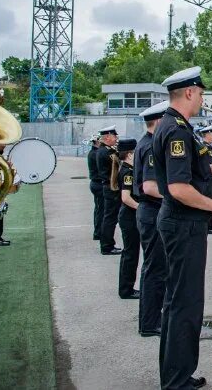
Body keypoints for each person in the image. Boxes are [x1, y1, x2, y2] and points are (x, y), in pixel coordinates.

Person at [152, 66, 212, 389]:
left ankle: (178, 373)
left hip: (182, 224)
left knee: (180, 301)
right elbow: (178, 188)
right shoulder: (176, 131)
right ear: (189, 92)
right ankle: (175, 380)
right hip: (182, 224)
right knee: (184, 303)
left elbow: (191, 175)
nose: (202, 99)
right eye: (200, 93)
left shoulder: (177, 126)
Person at [133, 100, 168, 338]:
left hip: (149, 212)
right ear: (157, 122)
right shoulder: (150, 147)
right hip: (152, 210)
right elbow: (150, 186)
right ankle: (150, 322)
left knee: (155, 268)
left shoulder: (146, 143)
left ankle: (152, 318)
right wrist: (176, 194)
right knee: (155, 269)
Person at [112, 138, 140, 300]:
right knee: (131, 253)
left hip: (128, 216)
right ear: (129, 155)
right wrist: (140, 207)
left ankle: (126, 287)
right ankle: (126, 289)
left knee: (130, 253)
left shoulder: (127, 168)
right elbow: (126, 197)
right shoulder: (128, 172)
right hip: (129, 216)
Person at [95, 125, 122, 256]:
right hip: (111, 188)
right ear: (107, 137)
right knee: (110, 218)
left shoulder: (104, 150)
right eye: (114, 136)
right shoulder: (107, 152)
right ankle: (107, 246)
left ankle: (107, 244)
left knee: (109, 217)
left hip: (108, 187)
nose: (116, 138)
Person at [198, 126, 212, 235]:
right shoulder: (205, 148)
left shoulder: (208, 147)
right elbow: (210, 164)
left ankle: (210, 225)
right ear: (207, 135)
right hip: (209, 179)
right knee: (211, 199)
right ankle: (209, 225)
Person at [87, 135, 104, 241]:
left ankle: (98, 231)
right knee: (101, 210)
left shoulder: (93, 153)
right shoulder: (96, 154)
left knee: (99, 209)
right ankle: (98, 232)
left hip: (96, 184)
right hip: (98, 184)